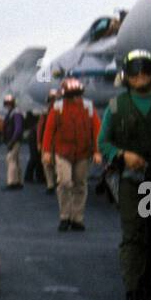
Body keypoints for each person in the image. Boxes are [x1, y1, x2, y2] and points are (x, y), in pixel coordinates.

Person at [98, 48, 151, 300]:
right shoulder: (116, 106)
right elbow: (103, 142)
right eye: (134, 70)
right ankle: (132, 292)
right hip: (132, 180)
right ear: (126, 76)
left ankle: (147, 283)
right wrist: (121, 155)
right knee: (133, 236)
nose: (140, 74)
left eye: (145, 68)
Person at [42, 78, 101, 232]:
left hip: (83, 153)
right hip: (63, 153)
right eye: (72, 94)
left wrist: (97, 151)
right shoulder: (58, 107)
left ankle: (77, 219)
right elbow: (49, 130)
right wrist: (47, 151)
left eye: (77, 94)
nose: (75, 98)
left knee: (80, 185)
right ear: (65, 95)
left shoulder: (88, 107)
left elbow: (96, 130)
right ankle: (64, 216)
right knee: (64, 182)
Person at [37, 89, 58, 191]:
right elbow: (40, 128)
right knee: (48, 163)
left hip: (56, 142)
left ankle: (53, 183)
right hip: (49, 141)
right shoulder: (46, 112)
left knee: (56, 164)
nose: (53, 101)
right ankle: (51, 184)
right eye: (52, 99)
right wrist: (39, 142)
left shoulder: (58, 111)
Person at [2, 92, 24, 188]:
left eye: (9, 103)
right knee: (16, 160)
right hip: (14, 140)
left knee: (11, 159)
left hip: (14, 140)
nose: (7, 105)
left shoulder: (15, 113)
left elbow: (18, 128)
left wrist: (12, 141)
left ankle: (12, 182)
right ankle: (19, 181)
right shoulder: (12, 113)